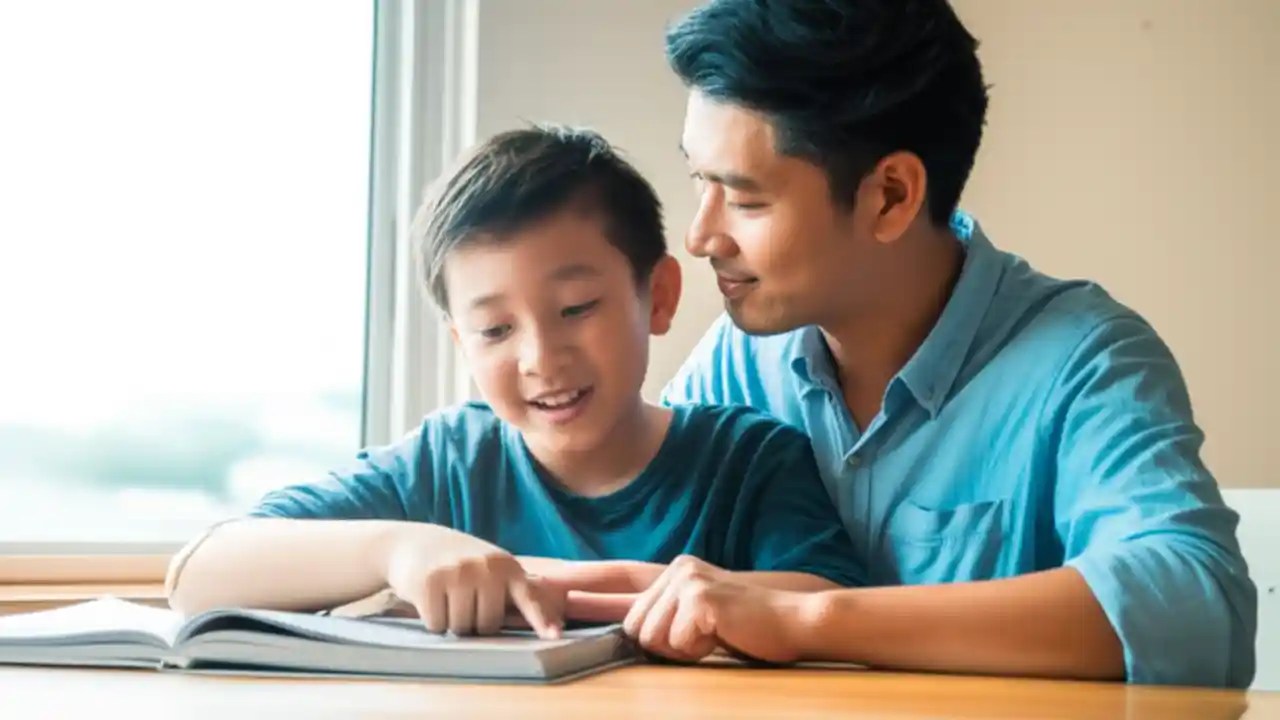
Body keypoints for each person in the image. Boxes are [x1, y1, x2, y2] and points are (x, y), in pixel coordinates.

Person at [592, 0, 1255, 688]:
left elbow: (1200, 609)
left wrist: (808, 619)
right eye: (701, 181)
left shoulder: (1087, 362)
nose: (700, 237)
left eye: (746, 199)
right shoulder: (737, 361)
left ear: (891, 197)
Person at [165, 125, 862, 639]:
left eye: (576, 310)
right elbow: (199, 576)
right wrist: (398, 549)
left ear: (658, 296)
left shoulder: (751, 461)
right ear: (461, 342)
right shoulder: (449, 464)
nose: (541, 357)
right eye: (496, 331)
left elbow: (835, 608)